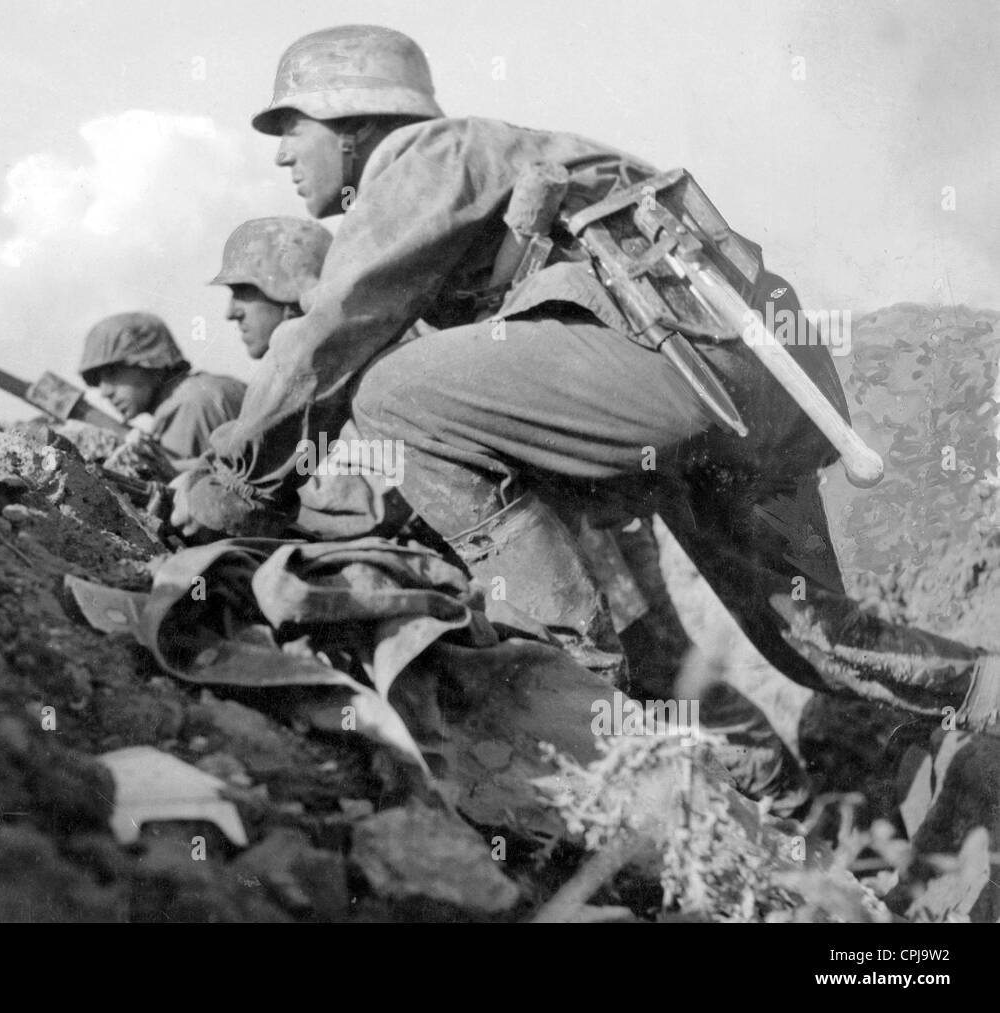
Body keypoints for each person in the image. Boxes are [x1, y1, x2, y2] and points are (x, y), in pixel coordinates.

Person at [174, 24, 1000, 741]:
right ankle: (985, 690)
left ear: (354, 124)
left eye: (293, 127)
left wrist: (233, 476)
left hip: (673, 369)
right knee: (814, 640)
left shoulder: (425, 155)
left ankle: (570, 661)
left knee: (390, 390)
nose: (282, 152)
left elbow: (334, 328)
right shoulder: (504, 156)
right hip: (755, 381)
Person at [207, 215, 412, 538]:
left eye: (243, 290)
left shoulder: (339, 380)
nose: (231, 312)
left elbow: (380, 501)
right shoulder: (293, 387)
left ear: (290, 294)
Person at [78, 311, 244, 478]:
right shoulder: (207, 388)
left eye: (112, 372)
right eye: (99, 380)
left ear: (148, 362)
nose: (105, 391)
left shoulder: (187, 406)